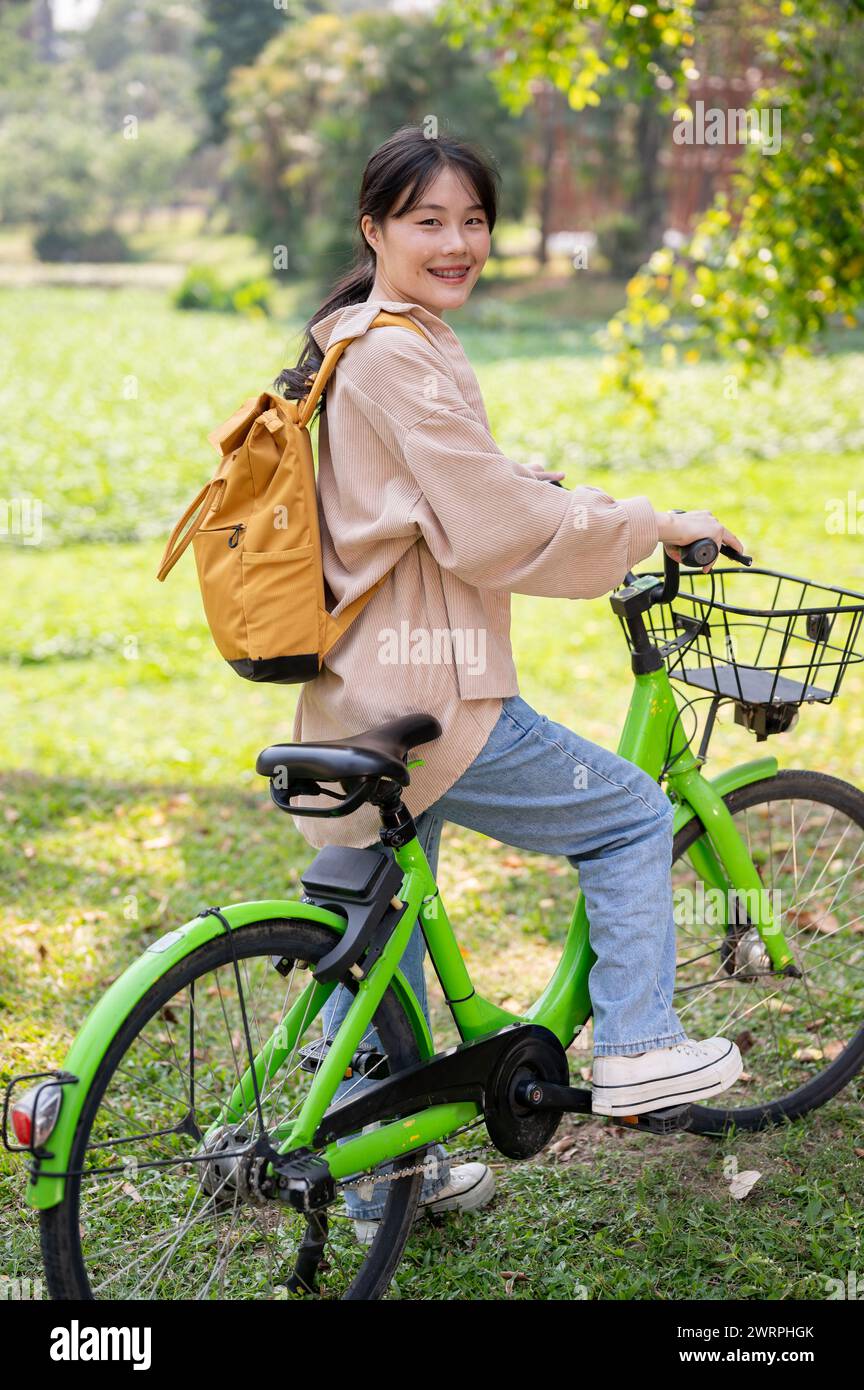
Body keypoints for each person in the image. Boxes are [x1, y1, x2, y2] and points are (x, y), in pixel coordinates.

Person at [273, 124, 745, 1242]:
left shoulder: (354, 338)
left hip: (357, 692)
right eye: (428, 221)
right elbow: (487, 527)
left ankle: (382, 1157)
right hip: (433, 698)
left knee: (369, 929)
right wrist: (651, 524)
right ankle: (636, 1046)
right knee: (632, 812)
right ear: (374, 230)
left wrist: (529, 483)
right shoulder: (395, 351)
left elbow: (437, 492)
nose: (458, 242)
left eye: (474, 220)